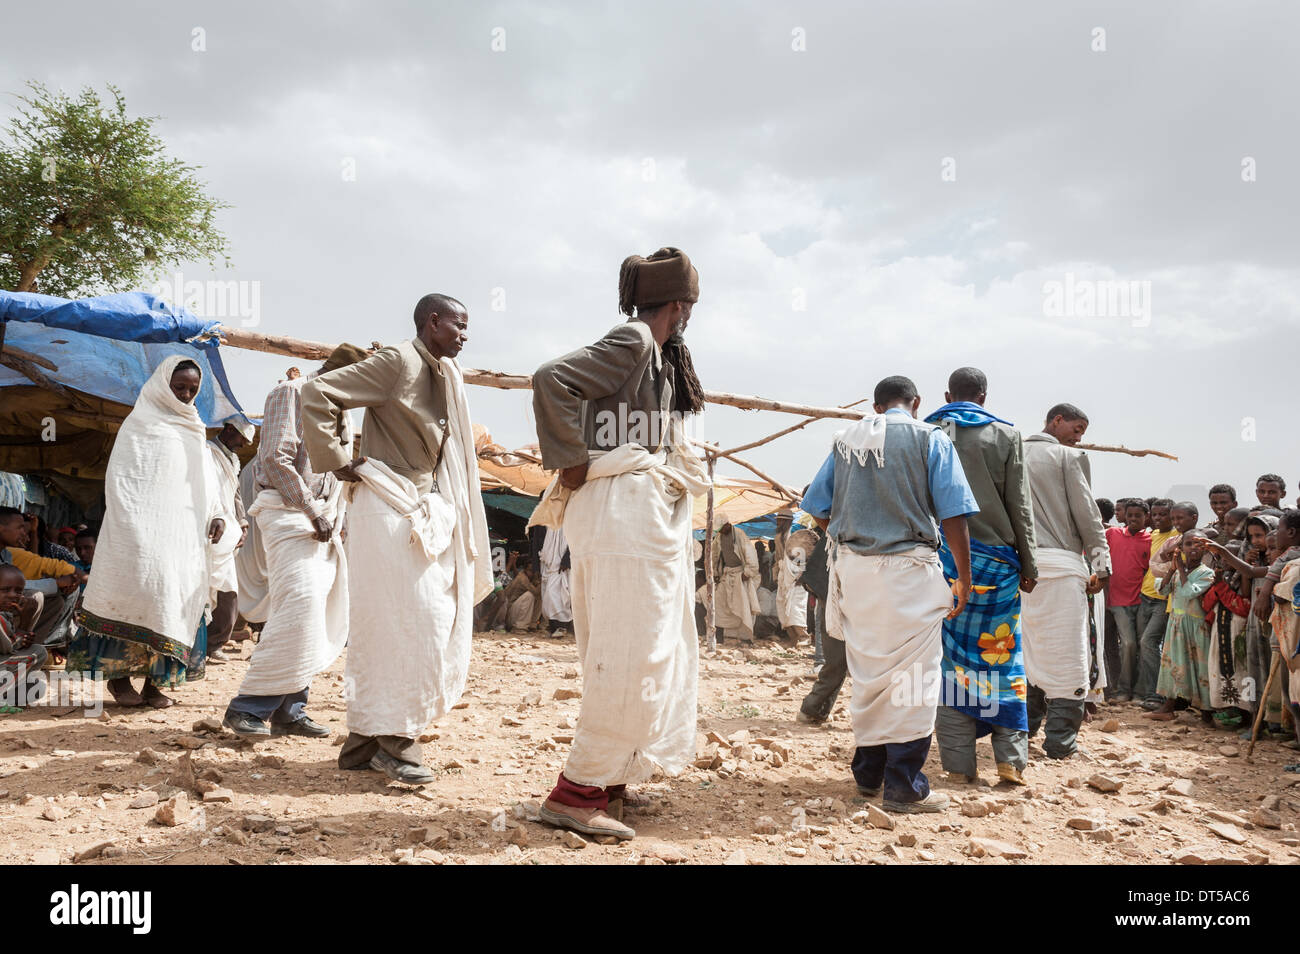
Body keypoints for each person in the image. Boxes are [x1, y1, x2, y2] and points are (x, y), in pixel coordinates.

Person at [529, 246, 710, 839]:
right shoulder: (634, 340)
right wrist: (572, 461)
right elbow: (551, 379)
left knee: (635, 648)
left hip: (631, 509)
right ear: (680, 304)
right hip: (621, 508)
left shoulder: (656, 355)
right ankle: (574, 794)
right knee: (633, 649)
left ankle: (609, 781)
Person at [302, 294, 492, 784]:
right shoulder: (396, 363)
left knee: (397, 625)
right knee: (410, 626)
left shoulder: (440, 373)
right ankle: (396, 742)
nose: (465, 335)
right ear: (433, 322)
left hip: (416, 511)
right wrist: (337, 458)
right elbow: (318, 394)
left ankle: (364, 739)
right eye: (459, 325)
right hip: (387, 511)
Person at [802, 374, 976, 813]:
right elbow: (954, 515)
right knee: (914, 679)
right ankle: (903, 786)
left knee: (870, 672)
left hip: (855, 573)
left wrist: (848, 534)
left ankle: (868, 775)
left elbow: (817, 506)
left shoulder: (846, 440)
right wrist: (964, 578)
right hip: (908, 572)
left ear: (876, 406)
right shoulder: (930, 438)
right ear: (916, 402)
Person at [223, 344, 366, 740]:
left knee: (313, 611)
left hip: (321, 519)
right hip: (290, 514)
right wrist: (312, 510)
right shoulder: (290, 393)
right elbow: (275, 459)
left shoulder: (341, 412)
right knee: (299, 604)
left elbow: (333, 470)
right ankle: (247, 707)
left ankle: (290, 710)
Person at [69, 357, 224, 709]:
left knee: (171, 601)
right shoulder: (139, 423)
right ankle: (119, 680)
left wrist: (217, 514)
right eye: (179, 387)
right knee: (135, 595)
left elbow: (205, 481)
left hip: (183, 535)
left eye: (191, 390)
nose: (185, 395)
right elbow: (122, 480)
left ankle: (157, 684)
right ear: (162, 384)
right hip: (138, 530)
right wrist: (133, 525)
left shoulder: (195, 427)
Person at [923, 367, 1038, 785]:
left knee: (951, 662)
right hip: (999, 565)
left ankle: (958, 764)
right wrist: (1030, 564)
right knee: (1002, 657)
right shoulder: (1006, 437)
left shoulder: (927, 432)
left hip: (944, 564)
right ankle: (1010, 758)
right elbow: (1018, 504)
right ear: (984, 397)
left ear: (947, 394)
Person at [1020, 403, 1110, 760]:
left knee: (1027, 650)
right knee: (1068, 652)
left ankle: (1021, 730)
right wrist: (1102, 565)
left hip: (1019, 570)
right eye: (1076, 428)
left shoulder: (1010, 452)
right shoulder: (1068, 458)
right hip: (1061, 566)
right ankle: (1060, 741)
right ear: (1056, 421)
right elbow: (1088, 517)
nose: (1079, 437)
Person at [1146, 531, 1215, 721]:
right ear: (1181, 548)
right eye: (1189, 544)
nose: (1193, 548)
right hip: (1176, 625)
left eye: (1198, 544)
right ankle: (1168, 706)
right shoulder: (1177, 571)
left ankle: (1207, 711)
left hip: (1195, 627)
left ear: (1205, 549)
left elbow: (1187, 593)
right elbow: (1162, 590)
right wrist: (1172, 569)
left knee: (1200, 667)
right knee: (1173, 664)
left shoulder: (1207, 573)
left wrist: (1181, 570)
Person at [206, 418, 253, 662]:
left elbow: (234, 494)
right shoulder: (207, 452)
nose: (244, 445)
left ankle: (214, 643)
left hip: (229, 531)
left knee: (228, 592)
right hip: (210, 530)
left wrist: (242, 523)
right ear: (229, 430)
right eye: (242, 439)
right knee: (205, 591)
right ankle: (198, 647)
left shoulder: (232, 460)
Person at [0, 508, 82, 648]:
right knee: (35, 596)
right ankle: (15, 645)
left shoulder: (6, 554)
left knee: (56, 601)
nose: (23, 533)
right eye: (20, 528)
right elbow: (10, 587)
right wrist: (57, 583)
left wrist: (61, 585)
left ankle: (26, 644)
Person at [1105, 499, 1152, 702]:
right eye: (1130, 515)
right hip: (1117, 600)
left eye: (1138, 516)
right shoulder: (1112, 534)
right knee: (1128, 644)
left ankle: (1140, 692)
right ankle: (1123, 690)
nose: (1133, 519)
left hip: (1142, 600)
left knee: (1143, 645)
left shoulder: (1150, 539)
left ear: (1146, 517)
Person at [0, 563, 49, 695]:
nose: (12, 595)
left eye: (18, 591)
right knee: (38, 652)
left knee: (36, 689)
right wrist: (25, 625)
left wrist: (23, 636)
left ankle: (9, 693)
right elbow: (10, 648)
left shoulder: (5, 613)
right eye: (5, 590)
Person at [713, 520, 760, 643]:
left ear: (727, 524)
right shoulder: (718, 538)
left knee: (743, 606)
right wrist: (715, 573)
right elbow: (714, 555)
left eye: (722, 528)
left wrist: (748, 572)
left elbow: (750, 553)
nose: (721, 531)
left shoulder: (739, 534)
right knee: (718, 603)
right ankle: (719, 636)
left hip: (740, 575)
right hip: (726, 574)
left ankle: (746, 638)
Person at [773, 514, 810, 642]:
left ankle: (804, 637)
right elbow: (778, 558)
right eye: (777, 521)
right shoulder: (778, 538)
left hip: (796, 578)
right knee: (782, 606)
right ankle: (793, 638)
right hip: (784, 578)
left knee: (796, 608)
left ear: (787, 521)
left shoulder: (795, 536)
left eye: (780, 520)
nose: (778, 523)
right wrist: (776, 575)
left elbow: (803, 559)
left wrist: (801, 576)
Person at [539, 526, 574, 635]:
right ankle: (553, 626)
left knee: (557, 595)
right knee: (548, 596)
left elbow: (573, 540)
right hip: (548, 564)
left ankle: (561, 626)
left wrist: (566, 560)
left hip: (561, 565)